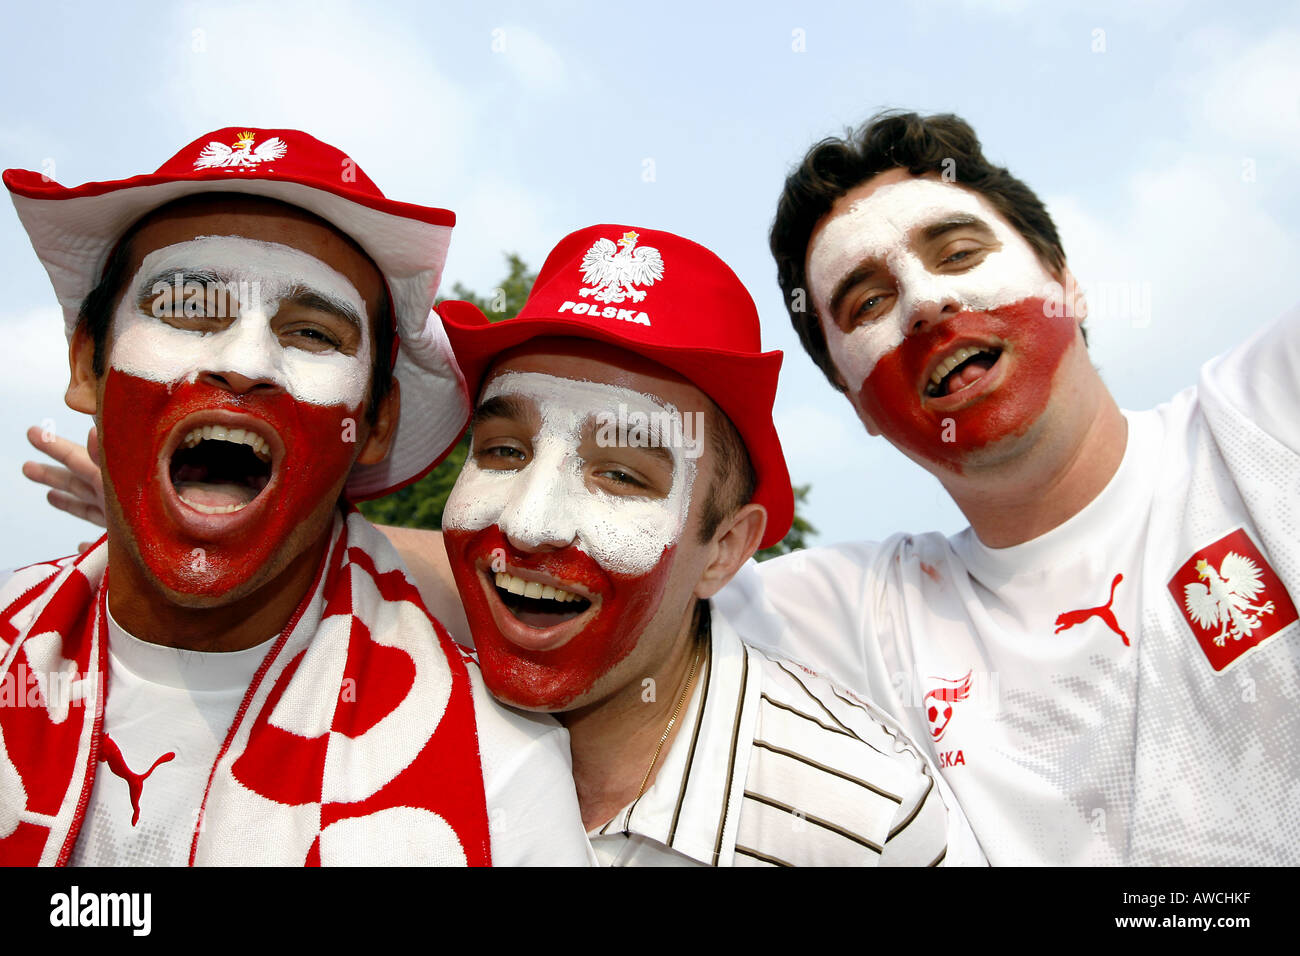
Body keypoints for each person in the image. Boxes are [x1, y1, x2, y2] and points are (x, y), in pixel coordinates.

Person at [706, 110, 1299, 865]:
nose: (925, 303)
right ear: (858, 406)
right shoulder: (846, 616)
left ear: (1066, 282)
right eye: (868, 304)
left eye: (956, 253)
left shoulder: (1266, 422)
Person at [1, 127, 591, 866]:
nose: (246, 363)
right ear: (88, 364)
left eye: (312, 333)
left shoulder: (499, 776)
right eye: (188, 307)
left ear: (375, 423)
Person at [431, 224, 977, 866]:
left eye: (621, 475)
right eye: (504, 452)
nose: (528, 524)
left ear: (722, 550)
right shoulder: (381, 717)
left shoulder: (868, 819)